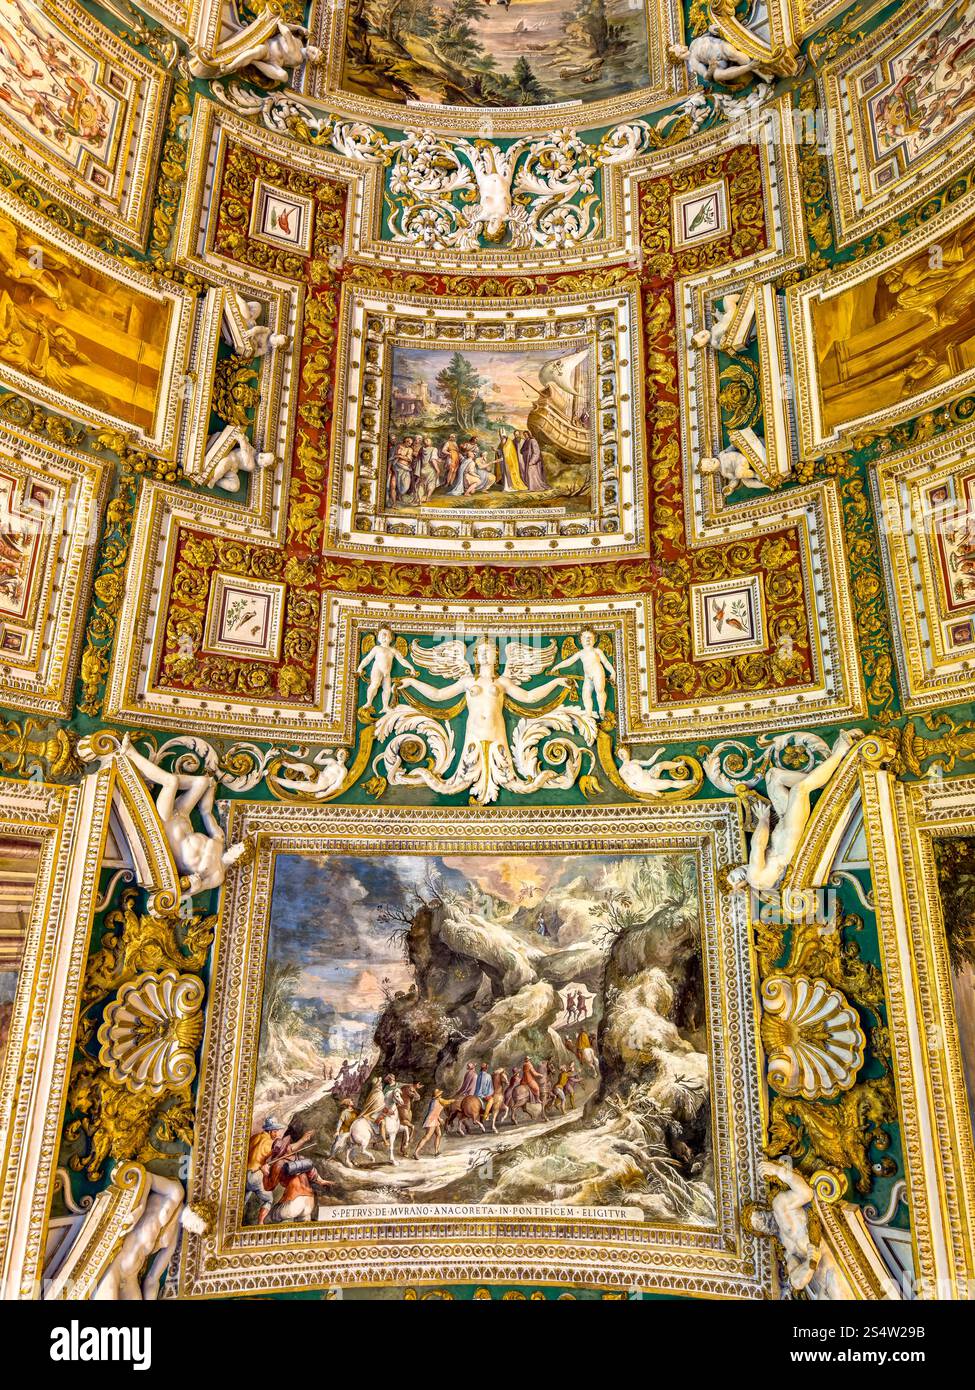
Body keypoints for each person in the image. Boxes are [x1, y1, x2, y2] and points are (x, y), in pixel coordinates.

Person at [551, 629, 616, 718]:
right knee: (585, 694)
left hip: (598, 673)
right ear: (581, 640)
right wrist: (556, 667)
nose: (587, 639)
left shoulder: (597, 651)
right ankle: (588, 713)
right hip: (587, 676)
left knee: (600, 690)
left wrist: (612, 672)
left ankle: (601, 710)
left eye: (590, 637)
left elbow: (605, 662)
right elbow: (569, 661)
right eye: (585, 637)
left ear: (594, 640)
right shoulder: (581, 653)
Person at [356, 626, 417, 712]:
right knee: (375, 684)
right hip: (377, 669)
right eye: (382, 634)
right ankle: (369, 702)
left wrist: (411, 667)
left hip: (387, 672)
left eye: (387, 634)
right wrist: (360, 667)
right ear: (378, 637)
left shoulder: (392, 650)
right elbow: (368, 659)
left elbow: (402, 660)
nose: (384, 636)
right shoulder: (377, 648)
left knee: (387, 689)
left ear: (391, 638)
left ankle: (385, 706)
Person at [246, 1118, 284, 1224]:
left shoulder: (254, 1138)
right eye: (275, 1131)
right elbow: (272, 1159)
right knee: (269, 1200)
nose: (277, 1134)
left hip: (244, 1175)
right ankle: (260, 1223)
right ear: (270, 1131)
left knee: (242, 1201)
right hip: (256, 1175)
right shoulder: (270, 1143)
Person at [414, 1087, 449, 1157]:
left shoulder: (436, 1101)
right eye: (440, 1095)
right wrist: (440, 1119)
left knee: (438, 1134)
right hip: (432, 1120)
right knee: (427, 1137)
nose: (441, 1096)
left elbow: (436, 1112)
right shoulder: (435, 1103)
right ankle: (416, 1152)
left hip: (435, 1120)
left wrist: (438, 1118)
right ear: (437, 1096)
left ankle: (436, 1151)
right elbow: (433, 1113)